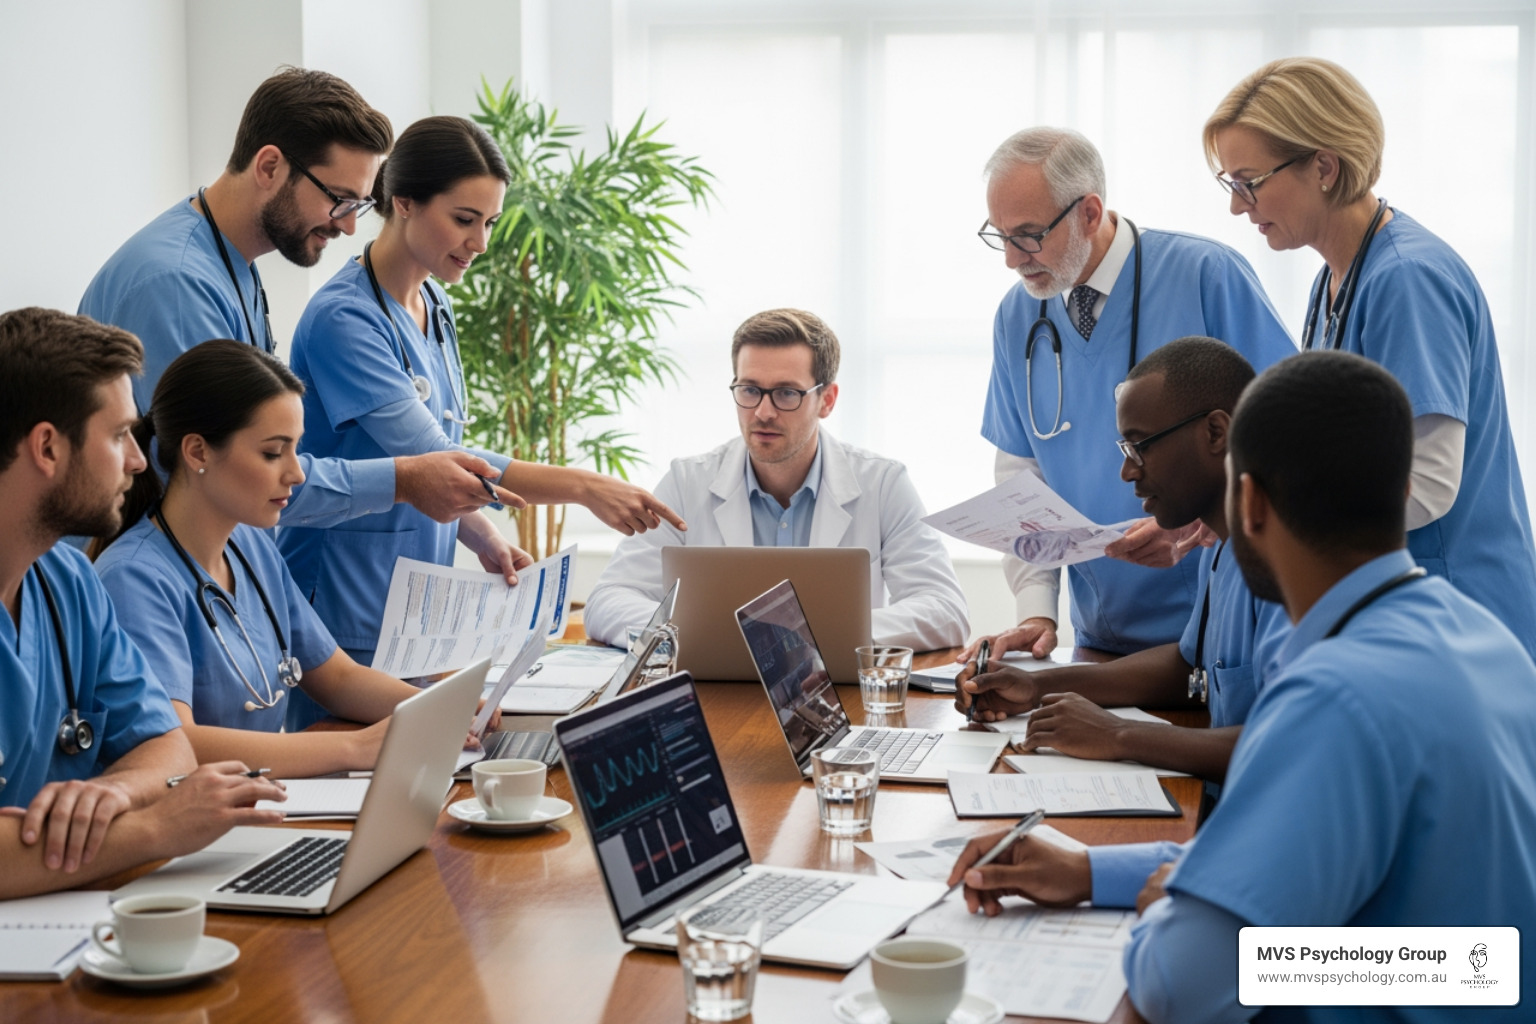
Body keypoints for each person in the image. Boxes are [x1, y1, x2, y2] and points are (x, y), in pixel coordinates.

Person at [950, 352, 1536, 1023]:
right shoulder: (1491, 644)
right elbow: (1466, 960)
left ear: (1248, 500)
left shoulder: (1336, 695)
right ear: (1403, 491)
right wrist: (1095, 874)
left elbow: (1178, 985)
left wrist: (1169, 910)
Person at [280, 115, 683, 715]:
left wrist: (482, 534)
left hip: (413, 610)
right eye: (465, 220)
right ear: (404, 203)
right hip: (341, 603)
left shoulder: (434, 303)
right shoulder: (345, 320)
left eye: (490, 222)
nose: (482, 243)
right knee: (348, 790)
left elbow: (435, 458)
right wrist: (584, 486)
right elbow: (445, 461)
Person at [1204, 56, 1536, 660]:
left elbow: (1430, 484)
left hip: (1455, 612)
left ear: (1324, 167)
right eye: (1230, 184)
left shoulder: (1407, 278)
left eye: (1248, 182)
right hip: (1399, 611)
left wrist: (1279, 528)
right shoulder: (1336, 278)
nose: (1237, 206)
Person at [78, 67, 509, 530]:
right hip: (151, 575)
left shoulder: (231, 265)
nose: (347, 226)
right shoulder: (177, 285)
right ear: (269, 167)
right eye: (339, 199)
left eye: (359, 205)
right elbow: (229, 472)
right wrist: (403, 480)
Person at [971, 127, 1296, 663]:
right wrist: (1036, 611)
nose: (1012, 258)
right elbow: (1021, 475)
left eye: (1028, 235)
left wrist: (1199, 525)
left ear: (1090, 213)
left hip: (1222, 633)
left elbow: (1289, 434)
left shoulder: (1205, 275)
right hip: (1101, 641)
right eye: (999, 235)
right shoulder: (1018, 313)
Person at [95, 341, 487, 777]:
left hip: (260, 801)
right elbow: (176, 741)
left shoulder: (251, 544)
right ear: (198, 452)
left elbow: (336, 676)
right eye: (272, 452)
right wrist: (354, 748)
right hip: (186, 827)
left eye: (296, 450)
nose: (297, 473)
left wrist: (440, 709)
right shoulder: (134, 579)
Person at [0, 308, 286, 899]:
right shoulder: (119, 571)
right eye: (117, 435)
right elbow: (169, 796)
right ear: (47, 448)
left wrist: (117, 792)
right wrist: (157, 826)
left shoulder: (66, 580)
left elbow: (164, 745)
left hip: (64, 913)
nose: (137, 459)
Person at [957, 337, 1289, 785]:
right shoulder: (1222, 545)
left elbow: (1289, 743)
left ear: (1215, 432)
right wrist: (1035, 688)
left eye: (1140, 447)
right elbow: (1188, 668)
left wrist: (1118, 735)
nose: (1128, 472)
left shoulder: (1286, 561)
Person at [584, 308, 969, 652]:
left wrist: (815, 634)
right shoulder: (688, 481)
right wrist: (689, 636)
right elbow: (609, 600)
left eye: (786, 393)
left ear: (827, 400)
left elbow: (945, 609)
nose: (763, 412)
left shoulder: (883, 483)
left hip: (836, 699)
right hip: (717, 697)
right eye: (750, 390)